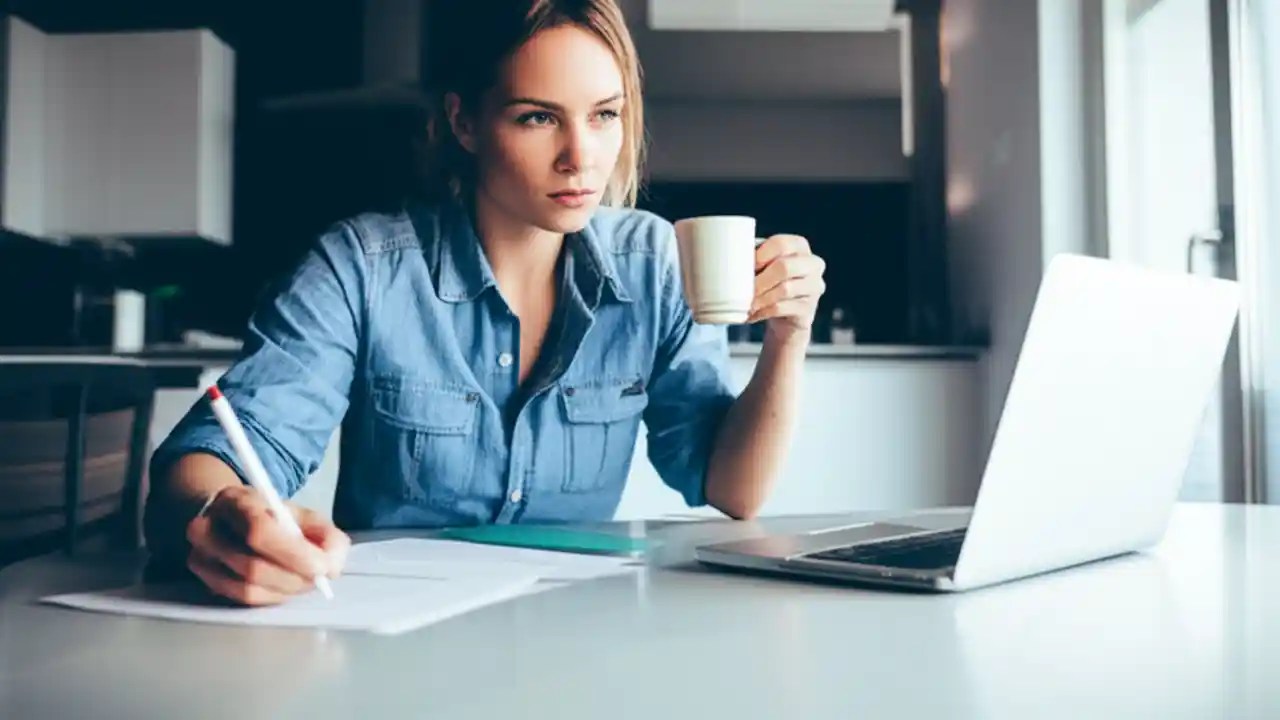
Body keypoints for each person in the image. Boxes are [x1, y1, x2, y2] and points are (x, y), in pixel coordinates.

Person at [143, 0, 827, 606]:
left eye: (605, 116)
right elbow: (214, 455)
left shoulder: (653, 266)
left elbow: (730, 488)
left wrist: (787, 337)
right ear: (464, 121)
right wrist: (218, 512)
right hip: (396, 638)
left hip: (573, 636)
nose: (580, 157)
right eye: (537, 117)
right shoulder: (360, 268)